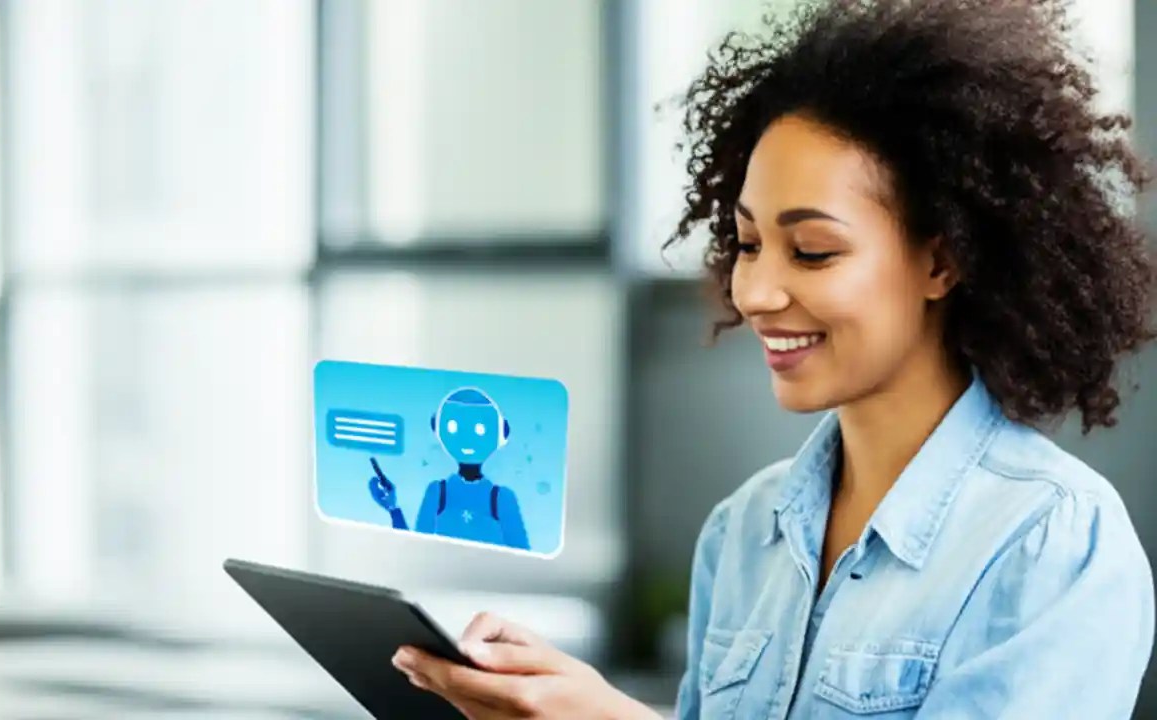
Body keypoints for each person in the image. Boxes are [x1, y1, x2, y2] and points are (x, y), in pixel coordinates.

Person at [390, 0, 1157, 717]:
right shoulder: (743, 532)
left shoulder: (1053, 545)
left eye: (813, 251)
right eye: (749, 244)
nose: (755, 291)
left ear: (941, 261)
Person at [369, 387, 530, 550]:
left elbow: (524, 560)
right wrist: (393, 509)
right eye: (453, 428)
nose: (467, 439)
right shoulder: (437, 492)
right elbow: (416, 549)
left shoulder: (502, 498)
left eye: (480, 430)